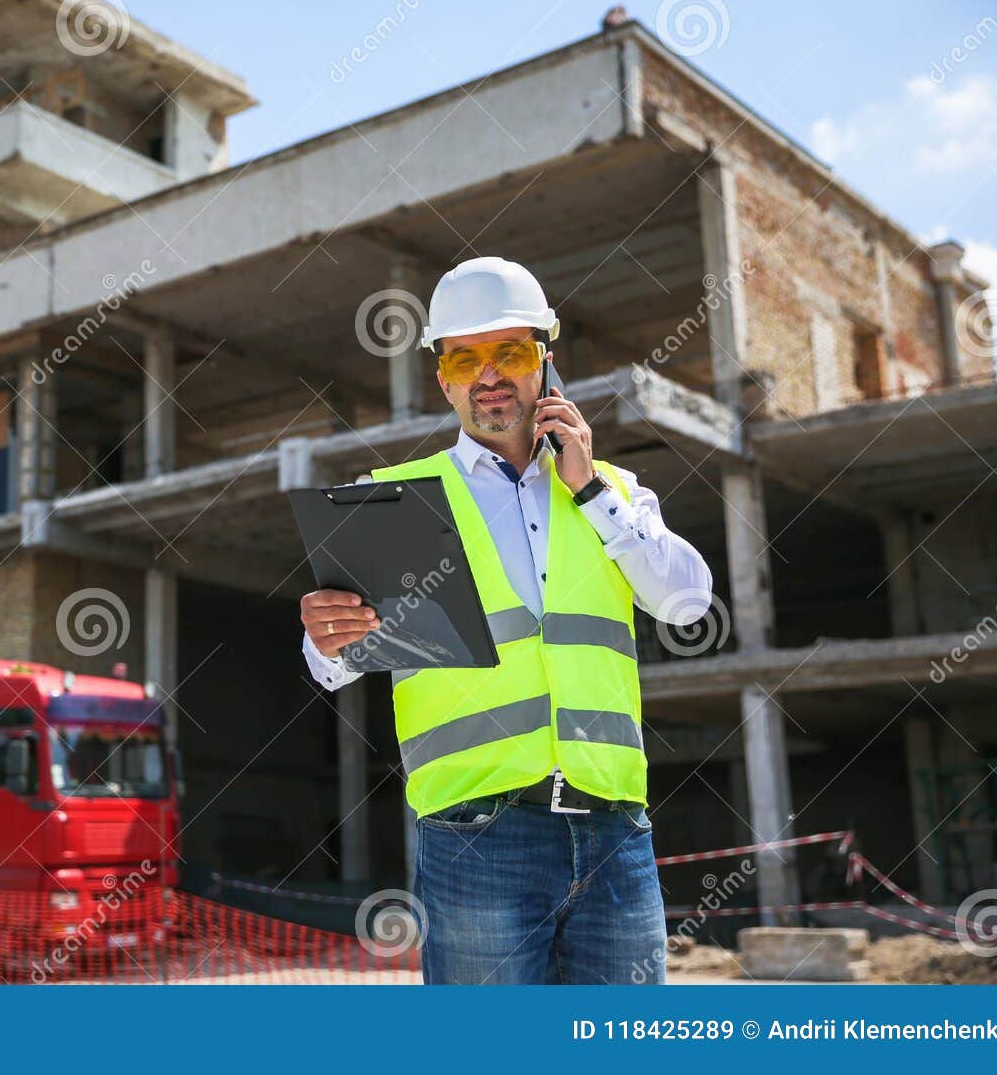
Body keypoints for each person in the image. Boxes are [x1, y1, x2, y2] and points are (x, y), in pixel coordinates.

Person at [300, 256, 713, 984]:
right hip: (478, 838)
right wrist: (324, 638)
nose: (489, 375)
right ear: (444, 378)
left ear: (546, 362)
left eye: (511, 353)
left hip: (615, 832)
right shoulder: (395, 497)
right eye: (465, 357)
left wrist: (589, 489)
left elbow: (688, 602)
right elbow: (332, 667)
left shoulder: (614, 490)